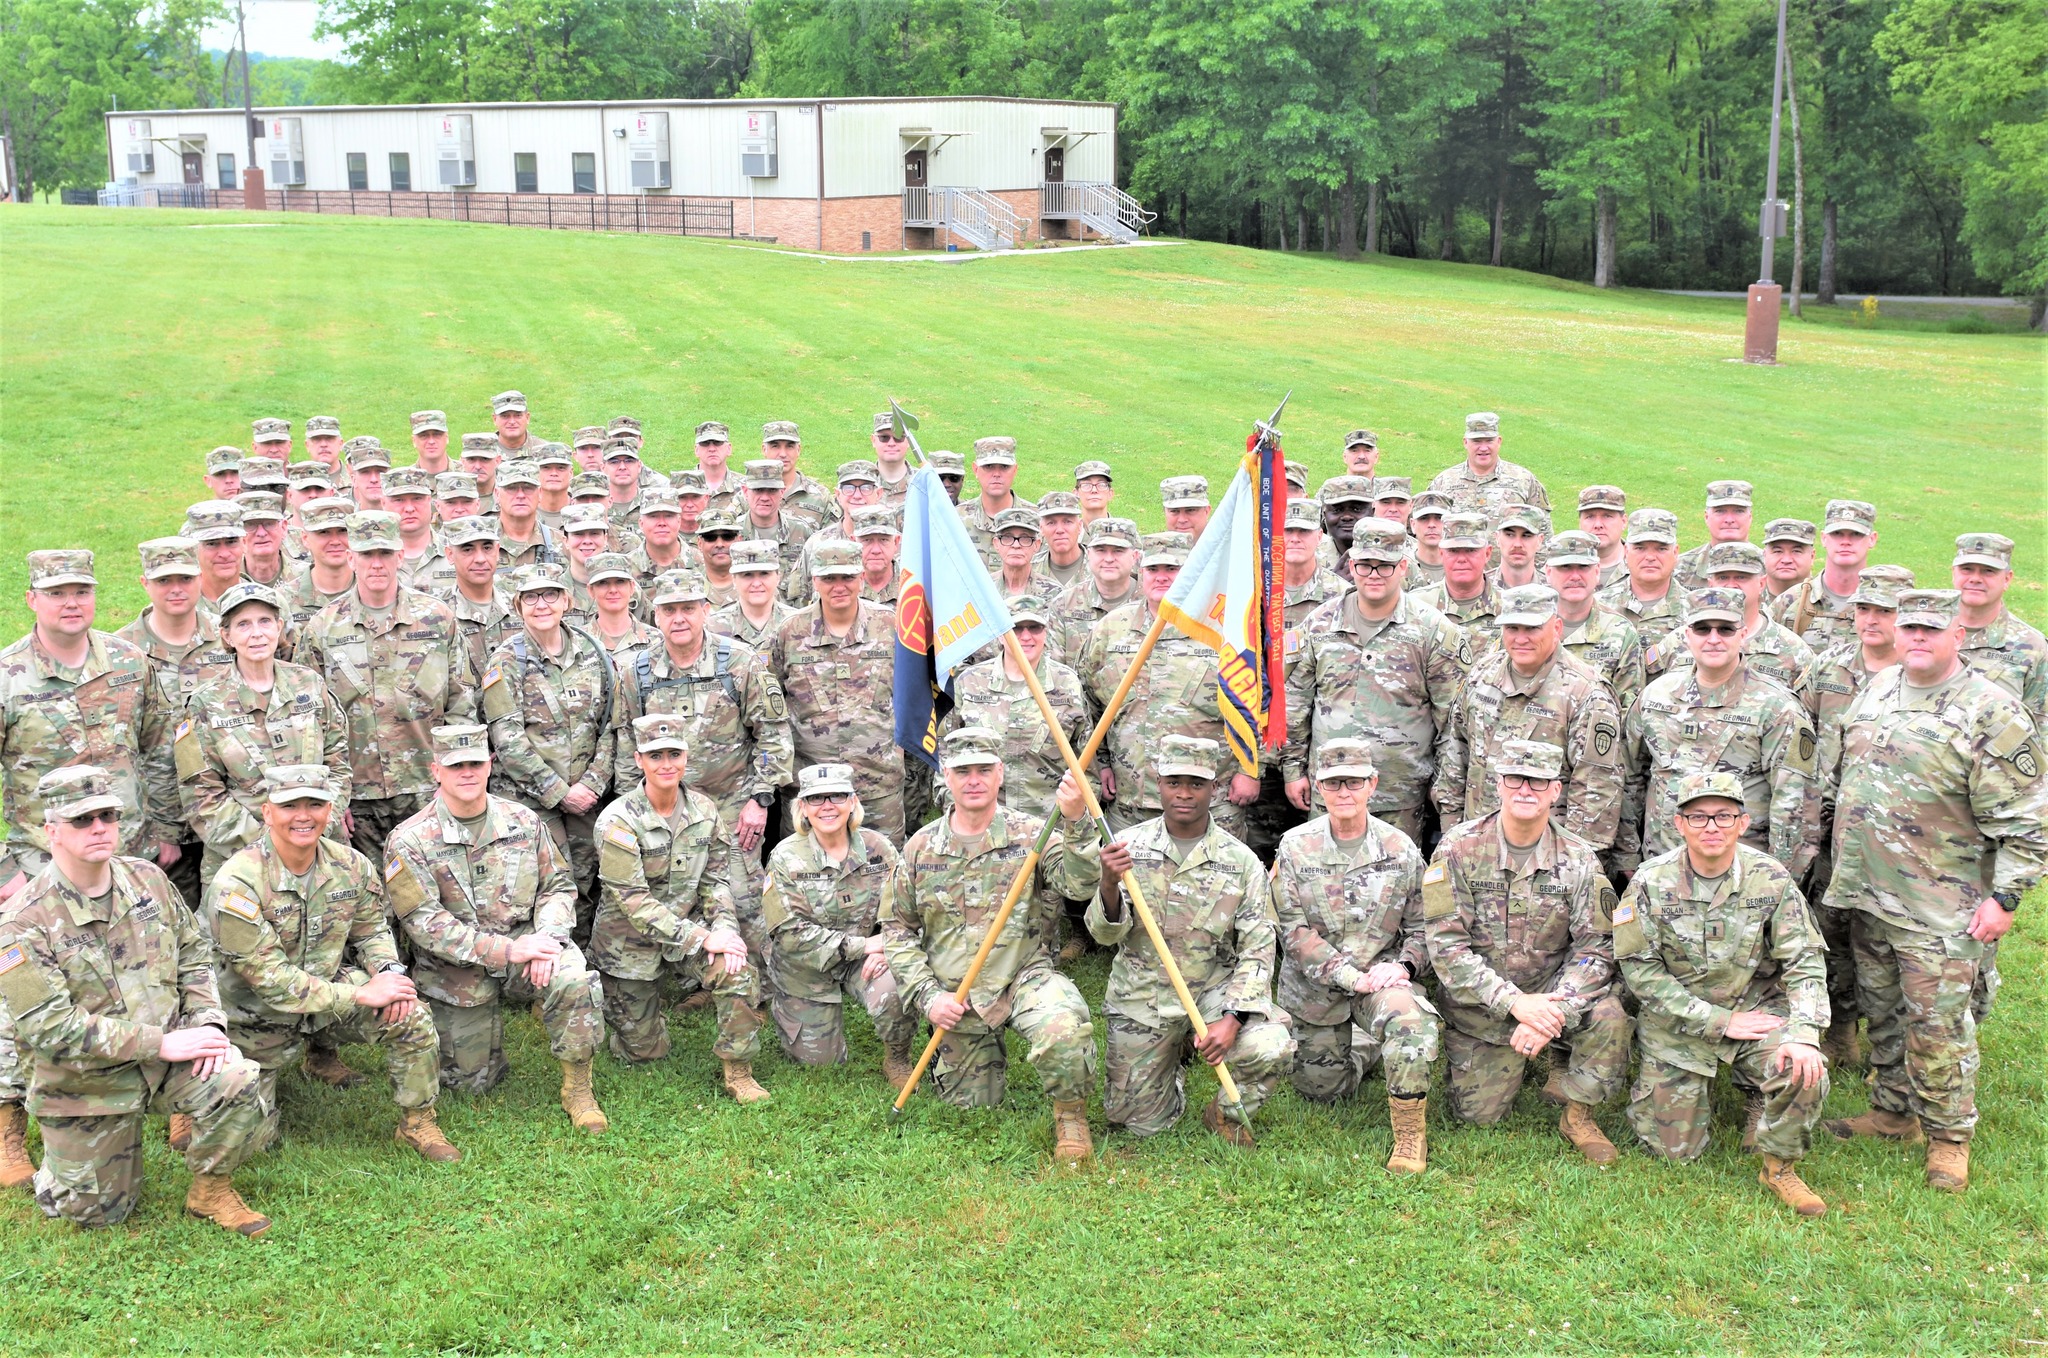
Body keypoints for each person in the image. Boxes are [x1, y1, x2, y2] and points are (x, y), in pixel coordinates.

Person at [1821, 589, 2046, 1194]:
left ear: (1958, 636)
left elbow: (2029, 822)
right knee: (1886, 1012)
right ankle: (1894, 1111)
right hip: (1871, 893)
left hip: (1942, 906)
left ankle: (1949, 1138)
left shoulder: (1990, 711)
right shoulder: (1879, 689)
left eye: (1931, 629)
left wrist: (2006, 900)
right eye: (1909, 628)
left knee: (1939, 1026)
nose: (1918, 637)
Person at [0, 766, 269, 1233]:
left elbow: (193, 952)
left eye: (108, 815)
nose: (99, 828)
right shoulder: (20, 923)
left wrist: (207, 1023)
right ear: (51, 832)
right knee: (97, 1215)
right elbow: (48, 1026)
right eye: (82, 820)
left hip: (168, 1060)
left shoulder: (146, 879)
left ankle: (211, 1190)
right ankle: (62, 1169)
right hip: (86, 1084)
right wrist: (159, 1044)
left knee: (239, 1078)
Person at [204, 766, 457, 1163]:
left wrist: (389, 974)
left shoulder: (351, 866)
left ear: (331, 809)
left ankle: (417, 1122)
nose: (303, 816)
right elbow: (270, 981)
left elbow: (371, 931)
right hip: (254, 1017)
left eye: (315, 804)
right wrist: (360, 992)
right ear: (267, 812)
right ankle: (193, 1100)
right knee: (254, 1144)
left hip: (326, 994)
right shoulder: (237, 883)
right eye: (290, 806)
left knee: (409, 1015)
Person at [1613, 771, 1831, 1217]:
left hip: (1756, 1013)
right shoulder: (1650, 883)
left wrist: (1804, 1032)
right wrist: (1718, 1021)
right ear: (1679, 825)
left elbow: (1805, 960)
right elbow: (1641, 972)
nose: (1711, 827)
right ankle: (1701, 1086)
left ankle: (1778, 1165)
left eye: (1724, 816)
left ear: (1743, 823)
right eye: (1698, 817)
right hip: (1682, 1024)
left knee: (1801, 1068)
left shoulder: (1770, 878)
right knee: (1674, 1151)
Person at [878, 728, 1102, 1161]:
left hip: (1024, 978)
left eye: (984, 769)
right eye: (963, 771)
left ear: (1001, 774)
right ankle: (969, 1049)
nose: (974, 779)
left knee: (1064, 1029)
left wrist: (1076, 821)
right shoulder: (920, 848)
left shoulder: (1034, 835)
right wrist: (929, 998)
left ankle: (1071, 1115)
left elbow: (1079, 884)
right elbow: (898, 930)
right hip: (957, 995)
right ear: (945, 775)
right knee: (971, 1105)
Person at [384, 725, 608, 1133]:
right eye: (456, 765)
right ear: (436, 770)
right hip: (457, 966)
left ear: (489, 766)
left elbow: (557, 885)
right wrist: (506, 952)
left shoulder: (523, 820)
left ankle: (578, 1088)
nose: (467, 772)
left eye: (475, 763)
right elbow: (424, 923)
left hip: (528, 941)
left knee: (575, 979)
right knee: (472, 1084)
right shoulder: (410, 839)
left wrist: (550, 940)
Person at [1424, 739, 1631, 1162]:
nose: (1525, 790)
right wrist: (1515, 1003)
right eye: (1515, 778)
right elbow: (1446, 946)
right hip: (1482, 1006)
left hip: (1553, 995)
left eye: (1538, 782)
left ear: (1556, 791)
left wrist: (1552, 1013)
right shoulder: (1458, 848)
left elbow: (1597, 948)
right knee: (1478, 1116)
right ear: (1498, 784)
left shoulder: (1580, 859)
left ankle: (1578, 1112)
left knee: (1610, 1014)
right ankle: (1515, 1056)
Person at [1089, 736, 1295, 1147]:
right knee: (1135, 1124)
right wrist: (1109, 882)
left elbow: (1258, 947)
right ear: (1158, 784)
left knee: (1270, 1045)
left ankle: (1224, 1112)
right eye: (1174, 782)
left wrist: (1234, 1018)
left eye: (1196, 784)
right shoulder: (1126, 848)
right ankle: (1172, 1062)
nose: (1184, 793)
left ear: (1214, 788)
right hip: (1143, 994)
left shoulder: (1242, 863)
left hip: (1211, 991)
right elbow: (1103, 934)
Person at [1270, 739, 1437, 1174]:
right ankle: (1364, 1048)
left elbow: (1425, 928)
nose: (1345, 791)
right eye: (1333, 783)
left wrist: (1402, 966)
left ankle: (1410, 1137)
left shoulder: (1401, 850)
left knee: (1409, 1023)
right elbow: (1293, 931)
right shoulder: (1293, 848)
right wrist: (1349, 976)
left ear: (1372, 785)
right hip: (1317, 989)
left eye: (1355, 782)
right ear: (1320, 789)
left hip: (1380, 983)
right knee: (1323, 1091)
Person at [614, 568, 794, 966]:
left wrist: (760, 800)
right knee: (672, 893)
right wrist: (634, 811)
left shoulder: (739, 663)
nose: (679, 618)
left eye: (688, 608)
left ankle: (754, 981)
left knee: (742, 896)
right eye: (669, 610)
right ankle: (692, 975)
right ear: (655, 616)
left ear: (705, 611)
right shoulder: (636, 673)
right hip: (664, 809)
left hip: (731, 806)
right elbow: (626, 743)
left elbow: (773, 734)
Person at [592, 715, 769, 1102]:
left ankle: (739, 1071)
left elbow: (716, 880)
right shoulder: (618, 821)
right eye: (656, 756)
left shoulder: (705, 811)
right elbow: (635, 903)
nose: (666, 764)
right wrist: (705, 936)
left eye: (674, 753)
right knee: (644, 1051)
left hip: (691, 927)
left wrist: (723, 930)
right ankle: (627, 1014)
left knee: (736, 970)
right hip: (629, 943)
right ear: (639, 760)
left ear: (686, 757)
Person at [298, 511, 478, 866]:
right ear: (351, 558)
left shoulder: (437, 619)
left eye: (384, 553)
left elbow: (461, 705)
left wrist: (455, 784)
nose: (376, 564)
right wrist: (327, 797)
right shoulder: (322, 629)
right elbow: (309, 725)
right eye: (366, 554)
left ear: (400, 556)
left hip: (426, 789)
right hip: (356, 797)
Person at [1282, 518, 1466, 847]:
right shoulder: (1319, 624)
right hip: (1331, 786)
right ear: (1351, 566)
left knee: (1394, 883)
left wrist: (1444, 787)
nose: (1374, 575)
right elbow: (1296, 701)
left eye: (1385, 566)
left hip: (1400, 792)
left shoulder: (1433, 631)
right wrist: (1293, 770)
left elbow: (1451, 720)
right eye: (1366, 565)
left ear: (1403, 567)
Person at [1619, 587, 1818, 881]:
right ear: (1687, 635)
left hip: (1742, 877)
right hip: (1662, 871)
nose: (1713, 639)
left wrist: (1779, 880)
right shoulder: (1656, 697)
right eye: (1702, 629)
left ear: (1743, 634)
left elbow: (1795, 805)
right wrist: (1627, 854)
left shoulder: (1777, 707)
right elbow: (1629, 776)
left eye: (1725, 629)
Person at [1074, 532, 1257, 841]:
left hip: (1211, 798)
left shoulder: (1224, 629)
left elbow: (1256, 704)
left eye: (1172, 570)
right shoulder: (1111, 630)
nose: (1162, 578)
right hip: (1131, 797)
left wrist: (1252, 770)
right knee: (1129, 884)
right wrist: (1099, 763)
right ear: (1140, 572)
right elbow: (1088, 704)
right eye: (1153, 570)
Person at [1802, 564, 1914, 1066]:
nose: (1871, 620)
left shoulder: (1920, 678)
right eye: (1864, 608)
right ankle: (1840, 1028)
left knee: (1886, 943)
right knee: (1830, 933)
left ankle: (1895, 1047)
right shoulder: (1828, 667)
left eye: (1884, 611)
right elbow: (1796, 730)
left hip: (1898, 840)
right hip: (1830, 830)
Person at [178, 582, 350, 882]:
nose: (256, 633)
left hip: (321, 850)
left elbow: (337, 763)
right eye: (243, 624)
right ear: (226, 636)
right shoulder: (206, 703)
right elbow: (202, 794)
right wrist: (270, 842)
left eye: (265, 621)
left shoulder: (309, 685)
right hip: (244, 862)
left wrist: (320, 824)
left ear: (279, 627)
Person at [482, 563, 619, 931]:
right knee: (546, 885)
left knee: (589, 881)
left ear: (567, 600)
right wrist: (559, 793)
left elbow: (612, 725)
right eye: (530, 597)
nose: (541, 604)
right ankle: (547, 966)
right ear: (518, 605)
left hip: (587, 797)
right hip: (530, 801)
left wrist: (592, 784)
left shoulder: (594, 653)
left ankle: (585, 963)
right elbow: (507, 740)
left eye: (550, 594)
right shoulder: (506, 660)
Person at [1438, 584, 1623, 852]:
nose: (1521, 638)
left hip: (1547, 855)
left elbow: (1596, 790)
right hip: (1476, 844)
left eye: (1532, 628)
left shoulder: (1586, 693)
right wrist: (1452, 829)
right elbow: (1457, 752)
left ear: (1557, 628)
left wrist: (1572, 862)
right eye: (1512, 628)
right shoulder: (1482, 675)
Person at [763, 762, 914, 1086]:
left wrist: (887, 947)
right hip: (805, 968)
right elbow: (789, 936)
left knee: (897, 984)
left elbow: (904, 909)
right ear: (802, 807)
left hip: (864, 960)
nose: (827, 806)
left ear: (852, 802)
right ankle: (788, 1006)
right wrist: (864, 944)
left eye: (837, 796)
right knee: (821, 1063)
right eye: (816, 799)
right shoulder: (785, 857)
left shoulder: (879, 849)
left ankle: (898, 1056)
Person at [116, 537, 234, 908]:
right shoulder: (121, 656)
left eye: (184, 578)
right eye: (164, 581)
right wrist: (158, 830)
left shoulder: (231, 637)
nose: (176, 589)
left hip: (231, 819)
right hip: (161, 831)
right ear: (144, 584)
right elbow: (124, 750)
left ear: (200, 578)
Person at [769, 540, 907, 843]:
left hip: (876, 784)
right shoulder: (790, 632)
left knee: (884, 872)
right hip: (809, 789)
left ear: (861, 578)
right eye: (829, 578)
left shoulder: (891, 626)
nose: (838, 586)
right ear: (815, 580)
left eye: (847, 577)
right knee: (803, 872)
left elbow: (916, 697)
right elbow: (771, 706)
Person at [1547, 529, 1646, 717]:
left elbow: (1629, 714)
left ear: (1597, 571)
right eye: (1565, 567)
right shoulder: (1527, 627)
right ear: (1548, 572)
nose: (1575, 576)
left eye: (1583, 567)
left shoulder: (1620, 633)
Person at [1952, 531, 2047, 728]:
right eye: (1967, 569)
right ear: (1954, 573)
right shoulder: (1924, 631)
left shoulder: (2032, 647)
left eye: (1988, 571)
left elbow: (2042, 726)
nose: (1975, 578)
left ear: (2007, 579)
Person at [1771, 500, 1877, 650]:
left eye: (1856, 534)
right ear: (1824, 538)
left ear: (1872, 539)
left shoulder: (1886, 606)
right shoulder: (1790, 602)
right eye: (1837, 533)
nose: (1845, 542)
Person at [1599, 508, 1687, 679]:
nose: (1650, 557)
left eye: (1661, 549)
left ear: (1675, 553)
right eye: (1640, 548)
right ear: (1626, 552)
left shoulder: (1695, 612)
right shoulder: (1599, 607)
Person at [1425, 411, 1550, 523]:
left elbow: (1543, 529)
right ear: (1465, 442)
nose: (1483, 448)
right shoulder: (1443, 483)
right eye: (1477, 441)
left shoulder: (1524, 480)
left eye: (1489, 440)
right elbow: (1424, 528)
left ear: (1499, 441)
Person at [1410, 513, 1502, 656]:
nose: (1461, 559)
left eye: (1471, 550)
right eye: (1453, 551)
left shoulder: (1509, 607)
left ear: (1487, 553)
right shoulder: (1415, 606)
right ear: (1441, 553)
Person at [1050, 517, 1139, 663]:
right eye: (1101, 550)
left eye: (1118, 551)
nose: (1109, 559)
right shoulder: (1064, 604)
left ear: (1134, 556)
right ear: (1089, 554)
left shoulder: (1150, 604)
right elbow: (1054, 669)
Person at [441, 516, 520, 676]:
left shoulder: (521, 606)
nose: (480, 559)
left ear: (497, 551)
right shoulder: (439, 615)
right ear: (450, 555)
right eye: (467, 549)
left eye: (487, 548)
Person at [710, 540, 797, 647]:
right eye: (747, 575)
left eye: (764, 573)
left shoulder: (799, 623)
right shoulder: (713, 627)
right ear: (734, 580)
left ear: (778, 577)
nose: (756, 583)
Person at [1673, 480, 1754, 591]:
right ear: (1706, 517)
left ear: (1750, 517)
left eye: (1738, 511)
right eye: (1720, 511)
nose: (1729, 520)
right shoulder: (1680, 568)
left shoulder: (1769, 567)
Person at [958, 437, 1021, 566]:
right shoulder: (955, 518)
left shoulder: (1037, 519)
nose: (996, 474)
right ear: (975, 470)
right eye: (988, 466)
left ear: (1015, 470)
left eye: (1004, 467)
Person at [762, 419, 832, 528]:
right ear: (764, 450)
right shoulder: (748, 494)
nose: (783, 454)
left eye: (789, 446)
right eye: (775, 446)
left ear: (798, 450)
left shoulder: (821, 496)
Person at [492, 460, 560, 572]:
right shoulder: (481, 544)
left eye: (528, 488)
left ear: (540, 494)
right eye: (512, 488)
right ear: (497, 494)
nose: (520, 495)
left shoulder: (561, 544)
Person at [184, 499, 247, 611]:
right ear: (193, 549)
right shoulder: (180, 608)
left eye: (231, 542)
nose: (224, 554)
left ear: (244, 543)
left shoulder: (266, 602)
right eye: (212, 543)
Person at [1312, 476, 1374, 570]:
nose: (1347, 517)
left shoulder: (1394, 556)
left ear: (1372, 512)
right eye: (1337, 510)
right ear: (1324, 515)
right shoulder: (1309, 559)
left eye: (1356, 509)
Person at [1576, 485, 1629, 588]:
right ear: (1580, 523)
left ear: (1623, 521)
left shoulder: (1642, 566)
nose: (1598, 525)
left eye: (1607, 516)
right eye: (1590, 516)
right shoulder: (1561, 568)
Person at [234, 491, 291, 587]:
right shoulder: (227, 580)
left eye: (269, 523)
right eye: (250, 525)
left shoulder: (305, 577)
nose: (261, 533)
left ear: (284, 528)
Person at [1034, 491, 1087, 591]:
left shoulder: (1100, 568)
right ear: (1041, 528)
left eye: (1067, 522)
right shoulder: (1029, 570)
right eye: (1051, 523)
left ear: (1080, 526)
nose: (1060, 530)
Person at [1761, 519, 1818, 606]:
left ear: (1812, 557)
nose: (1786, 560)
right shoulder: (1747, 598)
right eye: (1778, 551)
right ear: (1764, 555)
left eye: (1796, 551)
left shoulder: (1826, 599)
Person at [1489, 504, 1547, 589]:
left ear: (1539, 541)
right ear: (1497, 538)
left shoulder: (1554, 590)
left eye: (1526, 536)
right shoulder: (1479, 588)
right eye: (1510, 535)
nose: (1517, 544)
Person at [693, 420, 740, 512]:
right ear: (696, 450)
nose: (712, 449)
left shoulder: (746, 488)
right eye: (705, 443)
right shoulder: (680, 488)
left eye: (717, 443)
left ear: (729, 448)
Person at [1405, 491, 1450, 585]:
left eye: (1439, 518)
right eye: (1424, 518)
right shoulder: (1401, 568)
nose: (1432, 525)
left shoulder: (1461, 568)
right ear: (1413, 525)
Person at [871, 412, 913, 505]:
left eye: (898, 437)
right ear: (873, 440)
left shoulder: (922, 482)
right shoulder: (860, 485)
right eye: (884, 437)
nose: (891, 443)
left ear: (909, 441)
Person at [344, 437, 390, 512]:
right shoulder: (343, 518)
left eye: (380, 471)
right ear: (353, 480)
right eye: (365, 472)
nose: (374, 479)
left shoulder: (405, 518)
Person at [490, 390, 534, 457]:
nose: (512, 422)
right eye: (505, 416)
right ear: (495, 419)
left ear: (527, 418)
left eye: (518, 415)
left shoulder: (544, 451)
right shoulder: (481, 452)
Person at [409, 410, 452, 475]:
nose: (431, 441)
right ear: (414, 441)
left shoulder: (466, 475)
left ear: (446, 438)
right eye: (424, 436)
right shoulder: (405, 480)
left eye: (437, 434)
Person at [1073, 458, 1114, 524]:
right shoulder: (1070, 533)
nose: (1094, 490)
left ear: (1110, 493)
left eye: (1101, 485)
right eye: (1086, 485)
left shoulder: (1124, 532)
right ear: (1076, 494)